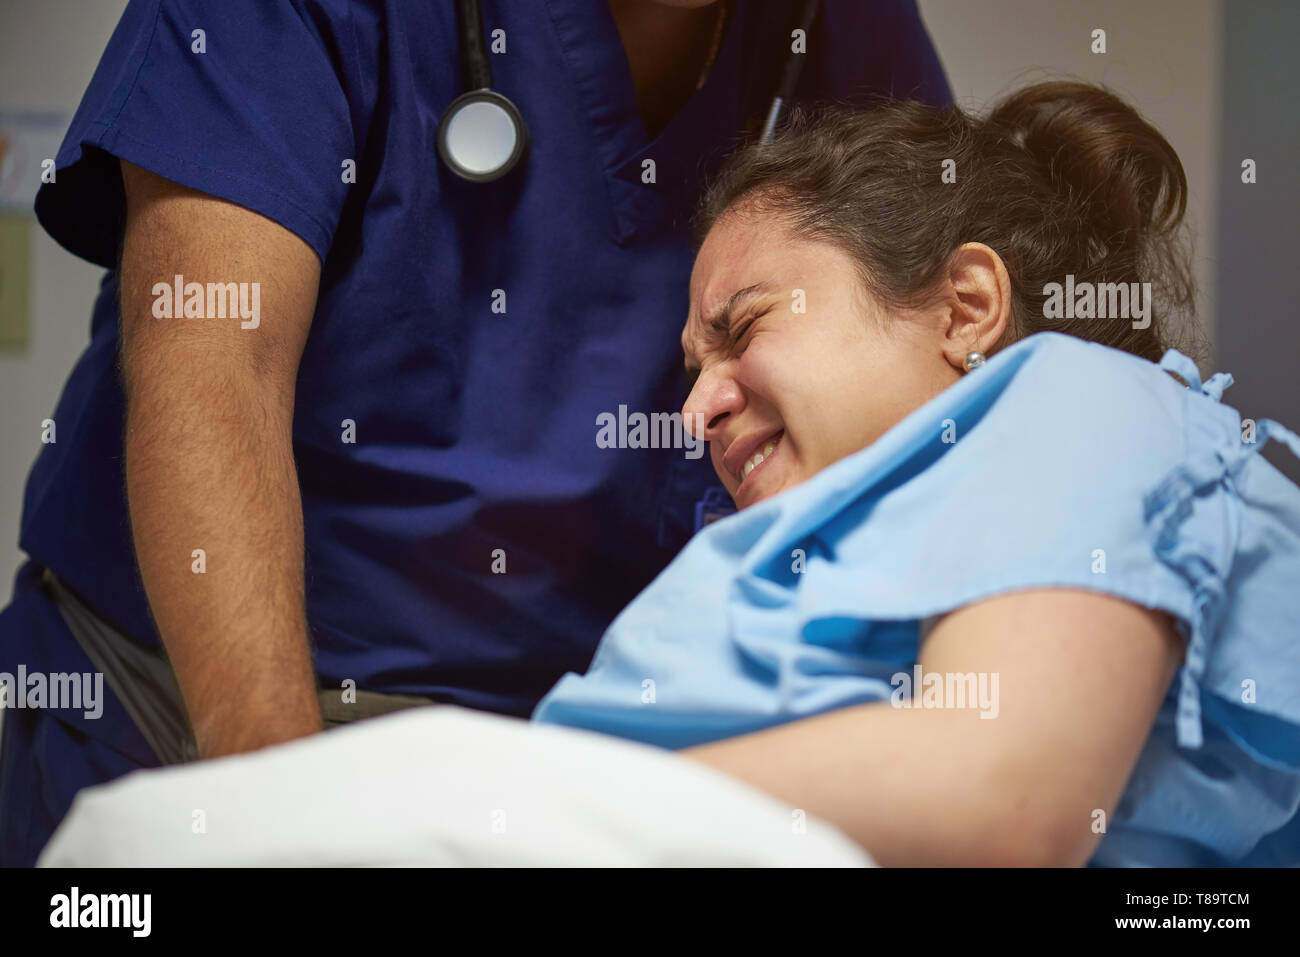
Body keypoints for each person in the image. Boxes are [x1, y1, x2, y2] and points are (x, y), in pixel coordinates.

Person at [0, 0, 952, 865]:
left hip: (572, 761)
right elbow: (214, 360)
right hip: (183, 704)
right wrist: (274, 798)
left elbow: (943, 368)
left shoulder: (841, 29)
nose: (703, 402)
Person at [532, 82, 1300, 866]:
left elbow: (1004, 795)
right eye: (696, 372)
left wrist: (529, 799)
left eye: (746, 327)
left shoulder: (1084, 398)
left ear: (966, 308)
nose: (697, 413)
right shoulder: (853, 557)